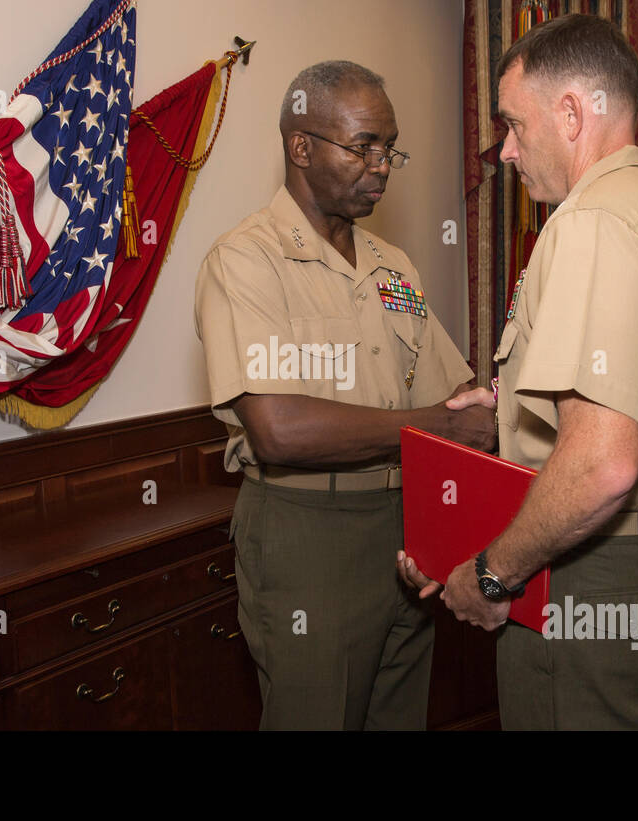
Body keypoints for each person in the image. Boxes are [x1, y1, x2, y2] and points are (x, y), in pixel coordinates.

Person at [399, 14, 638, 730]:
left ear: (573, 113)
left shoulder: (591, 224)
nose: (507, 150)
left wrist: (492, 574)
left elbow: (603, 464)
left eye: (515, 125)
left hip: (594, 574)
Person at [194, 60, 494, 730]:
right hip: (308, 536)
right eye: (363, 147)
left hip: (407, 532)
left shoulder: (394, 264)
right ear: (301, 146)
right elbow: (279, 428)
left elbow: (450, 389)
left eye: (389, 148)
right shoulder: (246, 260)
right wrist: (437, 429)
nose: (382, 165)